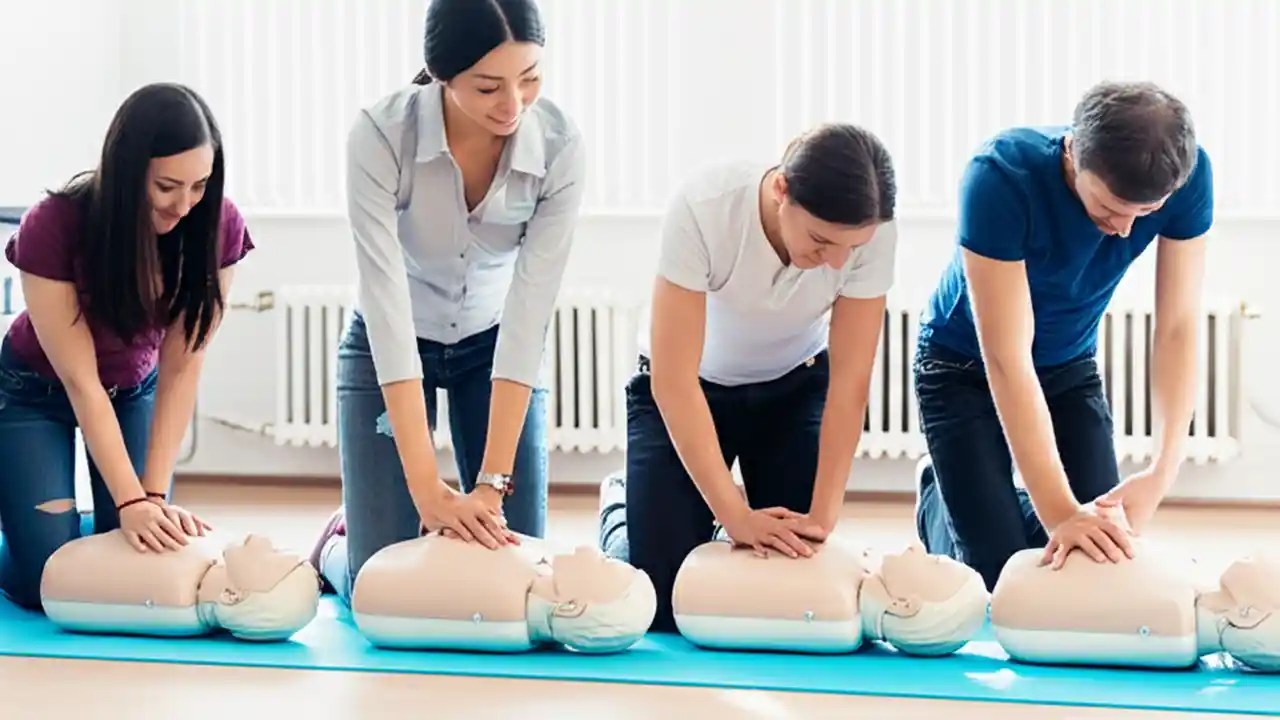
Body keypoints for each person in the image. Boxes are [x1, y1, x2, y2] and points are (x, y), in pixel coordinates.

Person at [309, 0, 585, 604]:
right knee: (375, 588)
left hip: (493, 343)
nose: (513, 105)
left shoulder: (560, 147)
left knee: (519, 574)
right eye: (489, 87)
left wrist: (490, 485)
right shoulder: (381, 134)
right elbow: (385, 307)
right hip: (389, 341)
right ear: (441, 74)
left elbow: (528, 315)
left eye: (530, 77)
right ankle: (338, 543)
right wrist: (427, 487)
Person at [913, 81, 1214, 591]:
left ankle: (981, 492)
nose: (1122, 230)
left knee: (1096, 556)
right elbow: (1007, 357)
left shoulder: (1189, 175)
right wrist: (1058, 513)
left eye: (1142, 214)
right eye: (1109, 207)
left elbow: (1179, 329)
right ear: (1074, 152)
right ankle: (938, 500)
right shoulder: (1000, 177)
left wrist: (1162, 470)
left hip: (1068, 365)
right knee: (1003, 574)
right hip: (960, 365)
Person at [600, 123, 899, 631]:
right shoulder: (705, 207)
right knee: (664, 601)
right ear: (782, 189)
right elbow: (673, 381)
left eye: (851, 248)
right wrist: (735, 515)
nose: (836, 261)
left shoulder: (867, 232)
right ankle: (621, 504)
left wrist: (823, 518)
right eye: (822, 241)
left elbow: (849, 383)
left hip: (793, 391)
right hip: (688, 393)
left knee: (792, 571)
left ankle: (712, 514)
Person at [0, 82, 253, 609]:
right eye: (167, 186)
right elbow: (80, 380)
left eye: (199, 185)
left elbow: (183, 368)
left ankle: (68, 516)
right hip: (32, 391)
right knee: (43, 580)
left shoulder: (217, 225)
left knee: (139, 550)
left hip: (133, 389)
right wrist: (130, 495)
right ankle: (32, 522)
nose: (185, 204)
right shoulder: (53, 224)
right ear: (126, 172)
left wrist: (150, 497)